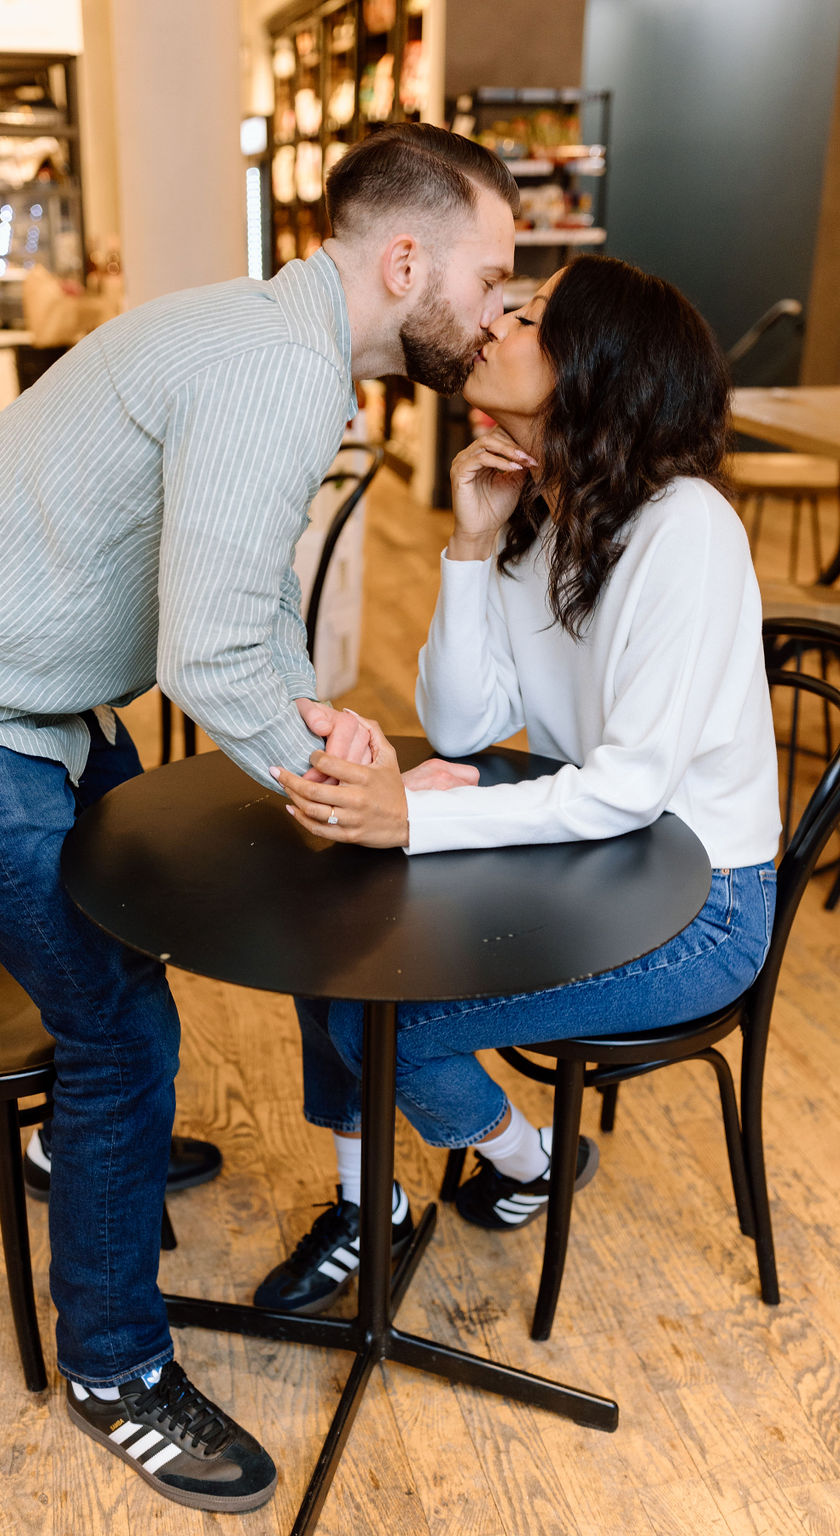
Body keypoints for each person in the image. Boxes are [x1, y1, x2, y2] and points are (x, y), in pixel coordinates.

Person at [0, 124, 519, 1514]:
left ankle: (86, 1142)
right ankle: (118, 1368)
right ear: (405, 261)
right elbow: (205, 664)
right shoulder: (280, 365)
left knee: (124, 963)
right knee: (123, 1024)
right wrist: (346, 795)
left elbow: (235, 592)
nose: (501, 309)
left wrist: (312, 729)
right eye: (494, 274)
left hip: (22, 689)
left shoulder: (274, 338)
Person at [255, 254, 781, 1319]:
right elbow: (457, 721)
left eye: (531, 318)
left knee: (373, 1023)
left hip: (704, 904)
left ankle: (535, 1158)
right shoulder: (543, 515)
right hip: (595, 862)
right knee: (333, 942)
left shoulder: (685, 530)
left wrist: (415, 817)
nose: (493, 324)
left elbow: (630, 786)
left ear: (597, 364)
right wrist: (469, 544)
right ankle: (376, 1210)